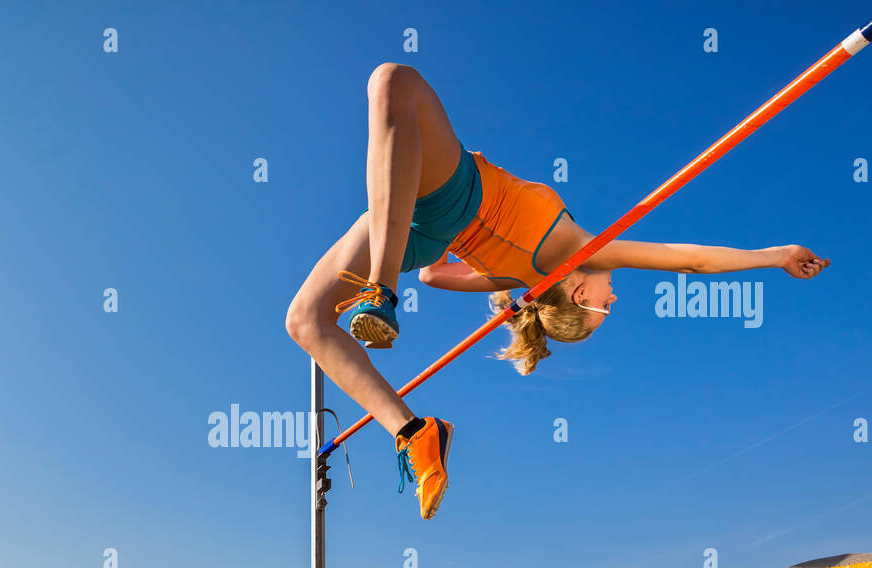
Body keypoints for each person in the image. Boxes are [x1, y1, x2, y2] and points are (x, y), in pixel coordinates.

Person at [285, 63, 829, 520]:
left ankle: (378, 288)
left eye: (602, 308)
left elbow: (692, 260)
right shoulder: (518, 281)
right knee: (305, 320)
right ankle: (413, 431)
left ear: (575, 290)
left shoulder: (583, 253)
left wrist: (776, 255)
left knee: (393, 81)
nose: (615, 299)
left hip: (449, 197)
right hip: (421, 228)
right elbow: (431, 274)